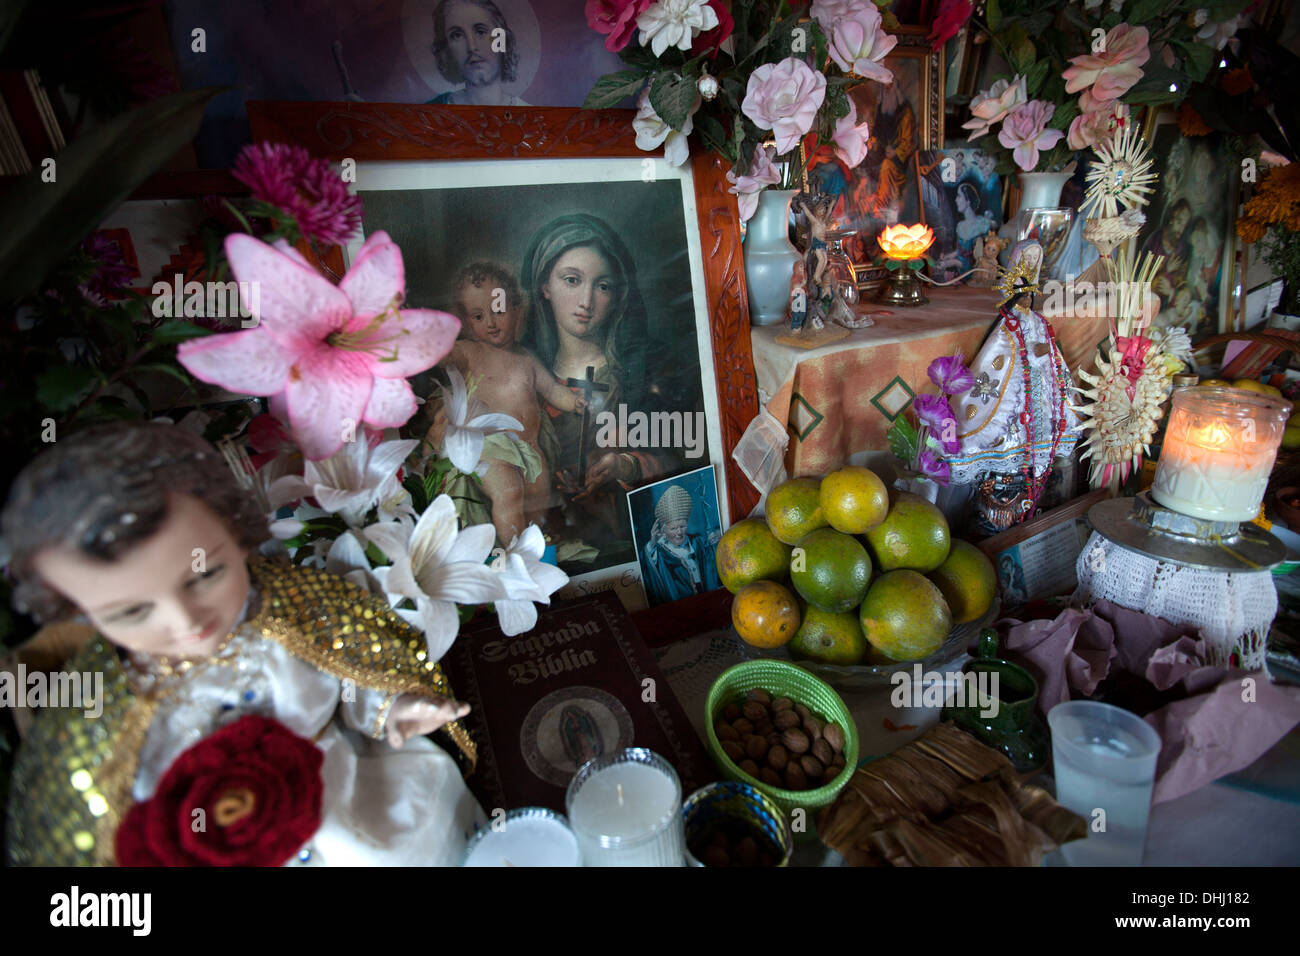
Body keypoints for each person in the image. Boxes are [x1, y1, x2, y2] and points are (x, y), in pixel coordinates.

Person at [1, 422, 484, 866]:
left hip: (346, 785)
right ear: (80, 612)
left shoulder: (291, 605)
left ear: (235, 532)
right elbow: (94, 818)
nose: (187, 621)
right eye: (131, 612)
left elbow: (357, 666)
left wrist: (394, 706)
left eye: (206, 575)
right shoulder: (105, 703)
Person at [519, 213, 681, 562]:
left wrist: (626, 465)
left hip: (628, 546)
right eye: (572, 280)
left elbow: (685, 460)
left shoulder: (648, 372)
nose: (587, 301)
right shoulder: (521, 375)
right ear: (545, 286)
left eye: (602, 286)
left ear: (618, 295)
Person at [440, 261, 585, 544]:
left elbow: (553, 391)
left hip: (529, 448)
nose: (491, 323)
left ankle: (533, 549)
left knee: (539, 499)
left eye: (499, 311)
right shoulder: (469, 352)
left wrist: (574, 402)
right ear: (467, 323)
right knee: (509, 492)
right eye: (479, 317)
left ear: (517, 309)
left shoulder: (526, 359)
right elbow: (439, 353)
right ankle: (513, 552)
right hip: (489, 448)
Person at [428, 0, 528, 106]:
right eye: (457, 35)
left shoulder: (532, 115)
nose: (471, 47)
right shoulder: (430, 111)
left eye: (480, 32)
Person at [640, 484, 721, 605]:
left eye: (682, 526)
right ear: (663, 530)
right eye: (673, 528)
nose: (679, 532)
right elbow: (648, 564)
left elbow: (712, 556)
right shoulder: (661, 552)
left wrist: (717, 538)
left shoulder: (697, 541)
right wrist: (652, 542)